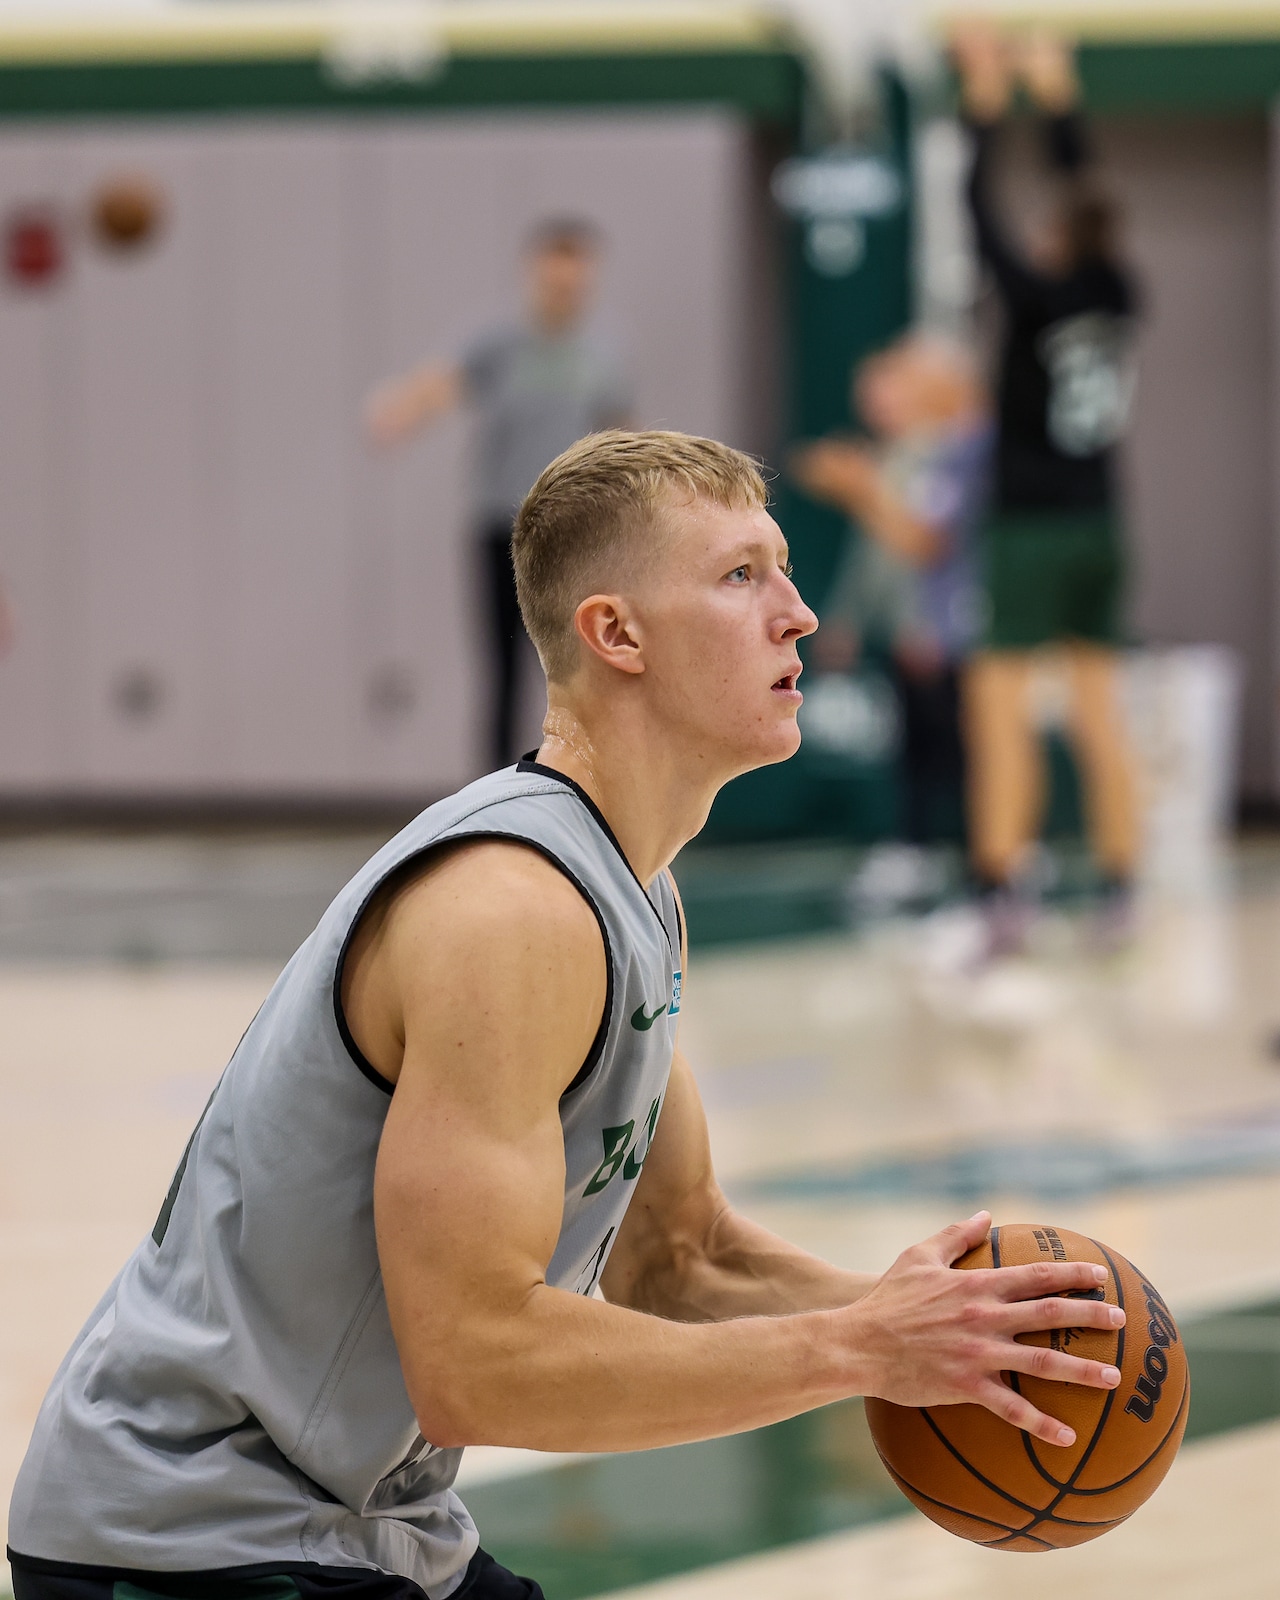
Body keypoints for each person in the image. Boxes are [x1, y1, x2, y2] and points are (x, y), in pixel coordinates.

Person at [8, 432, 1127, 1600]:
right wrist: (855, 1348)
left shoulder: (633, 889)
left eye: (784, 571)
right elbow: (476, 1364)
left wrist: (938, 1321)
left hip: (351, 1525)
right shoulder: (510, 913)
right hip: (184, 1541)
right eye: (740, 575)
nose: (796, 614)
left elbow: (681, 1258)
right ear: (616, 634)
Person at [953, 25, 1140, 945]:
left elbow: (975, 205)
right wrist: (1059, 96)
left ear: (1060, 240)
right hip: (1100, 522)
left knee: (1001, 716)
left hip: (1030, 528)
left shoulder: (1034, 299)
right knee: (1101, 715)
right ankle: (1120, 893)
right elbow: (1088, 193)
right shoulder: (1120, 289)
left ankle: (1002, 897)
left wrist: (987, 100)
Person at [366, 218, 633, 768]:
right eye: (554, 275)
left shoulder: (601, 355)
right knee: (503, 664)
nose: (563, 287)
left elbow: (619, 436)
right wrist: (403, 410)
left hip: (573, 531)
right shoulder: (502, 344)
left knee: (572, 663)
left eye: (574, 278)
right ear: (535, 274)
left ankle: (576, 776)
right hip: (502, 524)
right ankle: (496, 782)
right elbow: (443, 382)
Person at [791, 334, 992, 844]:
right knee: (916, 748)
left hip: (958, 627)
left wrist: (861, 487)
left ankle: (991, 854)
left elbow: (928, 544)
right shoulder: (907, 453)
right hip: (919, 626)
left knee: (966, 746)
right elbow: (879, 551)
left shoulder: (961, 449)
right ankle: (925, 849)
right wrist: (849, 617)